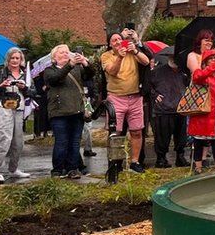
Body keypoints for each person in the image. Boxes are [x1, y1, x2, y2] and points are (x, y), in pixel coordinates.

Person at [100, 31, 151, 173]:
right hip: (116, 97)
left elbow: (146, 61)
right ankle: (115, 162)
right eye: (114, 40)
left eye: (119, 39)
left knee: (137, 131)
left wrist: (134, 51)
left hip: (135, 97)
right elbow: (112, 71)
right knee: (115, 132)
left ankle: (135, 162)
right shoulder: (106, 56)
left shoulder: (131, 52)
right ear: (110, 44)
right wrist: (120, 58)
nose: (117, 42)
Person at [42, 45, 92, 179]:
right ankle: (57, 169)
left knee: (75, 142)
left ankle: (72, 168)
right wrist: (70, 65)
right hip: (59, 112)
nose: (65, 54)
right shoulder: (49, 71)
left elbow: (90, 75)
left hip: (77, 110)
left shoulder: (76, 69)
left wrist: (85, 63)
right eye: (61, 53)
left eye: (67, 52)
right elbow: (56, 79)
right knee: (61, 141)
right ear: (54, 57)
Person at [0, 47, 33, 183]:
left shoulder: (26, 74)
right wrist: (0, 86)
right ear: (8, 59)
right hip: (3, 108)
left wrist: (25, 88)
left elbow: (34, 92)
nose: (15, 60)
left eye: (17, 58)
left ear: (21, 60)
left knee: (18, 141)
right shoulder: (0, 73)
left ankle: (14, 169)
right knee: (2, 139)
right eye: (12, 58)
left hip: (19, 108)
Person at [148, 53, 189, 168]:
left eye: (176, 58)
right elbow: (148, 85)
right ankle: (161, 159)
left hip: (180, 108)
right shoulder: (157, 71)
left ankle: (180, 157)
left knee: (181, 137)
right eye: (172, 57)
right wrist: (154, 95)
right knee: (162, 137)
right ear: (168, 58)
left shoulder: (184, 72)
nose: (174, 60)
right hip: (164, 109)